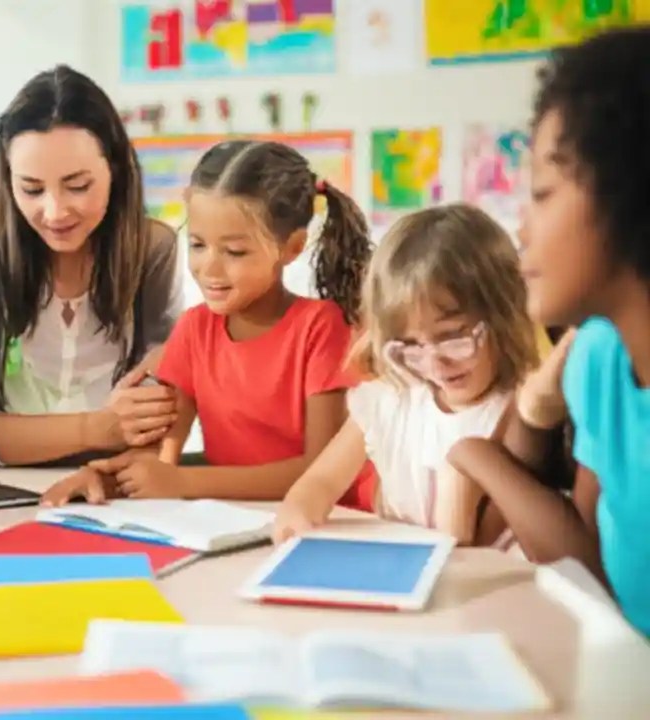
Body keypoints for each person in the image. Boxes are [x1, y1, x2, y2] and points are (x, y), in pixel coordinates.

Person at [447, 27, 650, 635]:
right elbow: (592, 574)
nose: (522, 225)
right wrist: (528, 421)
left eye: (541, 192)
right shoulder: (599, 360)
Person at [42, 140, 373, 505]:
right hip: (235, 520)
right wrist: (106, 475)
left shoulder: (322, 328)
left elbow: (320, 470)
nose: (209, 269)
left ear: (292, 247)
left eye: (234, 252)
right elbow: (159, 458)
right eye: (198, 245)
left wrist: (184, 482)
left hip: (330, 524)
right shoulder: (193, 330)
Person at [0, 65, 183, 469]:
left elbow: (155, 410)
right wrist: (97, 429)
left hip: (113, 485)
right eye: (31, 189)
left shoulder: (153, 249)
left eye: (78, 186)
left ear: (114, 169)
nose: (55, 211)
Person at [272, 205, 538, 546]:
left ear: (504, 314)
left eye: (452, 337)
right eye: (409, 345)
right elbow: (320, 482)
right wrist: (299, 512)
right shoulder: (391, 398)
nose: (434, 362)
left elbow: (467, 545)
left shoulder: (518, 411)